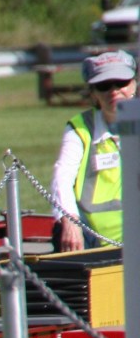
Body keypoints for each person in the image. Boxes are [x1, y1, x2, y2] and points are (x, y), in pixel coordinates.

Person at [52, 50, 135, 251]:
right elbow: (62, 178)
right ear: (93, 93)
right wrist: (70, 221)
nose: (114, 91)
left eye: (121, 83)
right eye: (104, 86)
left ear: (133, 84)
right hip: (91, 239)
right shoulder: (79, 128)